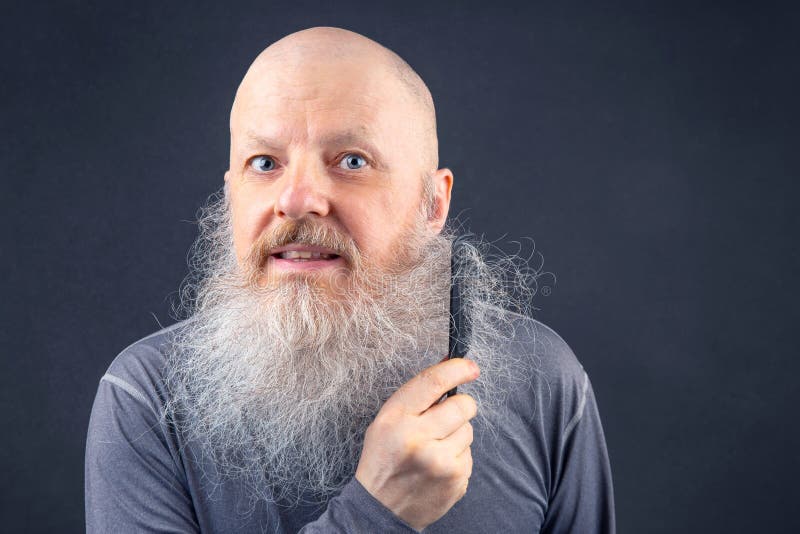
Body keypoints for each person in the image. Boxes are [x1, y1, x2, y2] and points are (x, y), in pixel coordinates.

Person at [85, 26, 615, 533]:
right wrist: (377, 513)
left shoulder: (544, 379)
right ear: (230, 195)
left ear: (433, 205)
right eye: (265, 162)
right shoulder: (147, 399)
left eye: (352, 161)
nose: (295, 199)